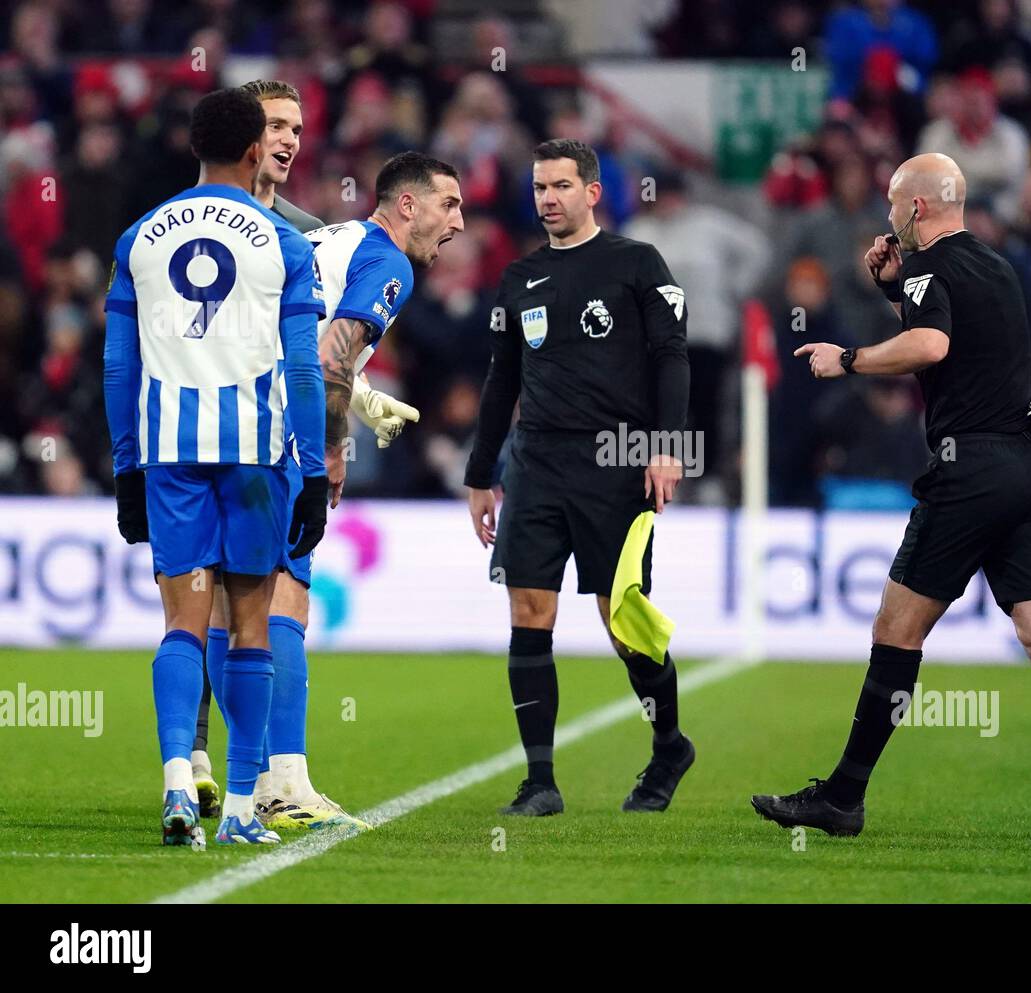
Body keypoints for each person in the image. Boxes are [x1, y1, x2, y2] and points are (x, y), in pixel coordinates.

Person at [752, 152, 1031, 852]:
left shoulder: (930, 267)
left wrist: (851, 357)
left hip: (972, 471)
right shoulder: (994, 265)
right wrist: (893, 288)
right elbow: (962, 341)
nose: (889, 216)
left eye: (895, 203)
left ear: (918, 208)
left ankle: (843, 798)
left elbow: (931, 343)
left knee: (896, 630)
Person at [102, 87, 328, 845]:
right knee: (253, 625)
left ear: (193, 146)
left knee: (181, 624)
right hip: (256, 458)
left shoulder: (139, 237)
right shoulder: (285, 243)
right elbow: (302, 369)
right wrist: (318, 472)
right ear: (256, 149)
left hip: (170, 453)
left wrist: (127, 469)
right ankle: (237, 808)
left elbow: (116, 368)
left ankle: (174, 781)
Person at [464, 139, 693, 816]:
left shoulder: (636, 264)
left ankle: (669, 743)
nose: (548, 199)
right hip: (534, 462)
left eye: (561, 186)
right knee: (529, 610)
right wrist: (482, 473)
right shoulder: (519, 277)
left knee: (621, 621)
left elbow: (672, 356)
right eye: (539, 188)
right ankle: (540, 780)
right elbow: (502, 377)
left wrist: (666, 442)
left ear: (593, 192)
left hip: (617, 459)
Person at [252, 151, 464, 833]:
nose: (458, 222)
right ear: (407, 206)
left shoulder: (329, 238)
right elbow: (329, 354)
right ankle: (283, 782)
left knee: (238, 605)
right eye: (448, 205)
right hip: (280, 430)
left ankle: (223, 776)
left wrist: (365, 394)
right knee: (286, 600)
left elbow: (297, 330)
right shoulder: (388, 262)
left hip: (219, 415)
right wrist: (332, 449)